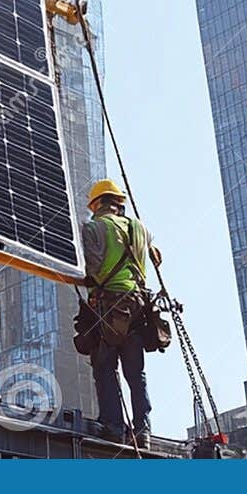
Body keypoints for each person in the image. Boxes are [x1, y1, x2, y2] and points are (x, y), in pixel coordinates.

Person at [82, 177, 162, 446]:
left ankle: (114, 426)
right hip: (138, 308)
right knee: (135, 371)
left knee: (105, 367)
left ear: (96, 205)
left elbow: (91, 269)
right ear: (119, 204)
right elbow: (154, 253)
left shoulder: (93, 228)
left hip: (108, 307)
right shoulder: (141, 229)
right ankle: (143, 430)